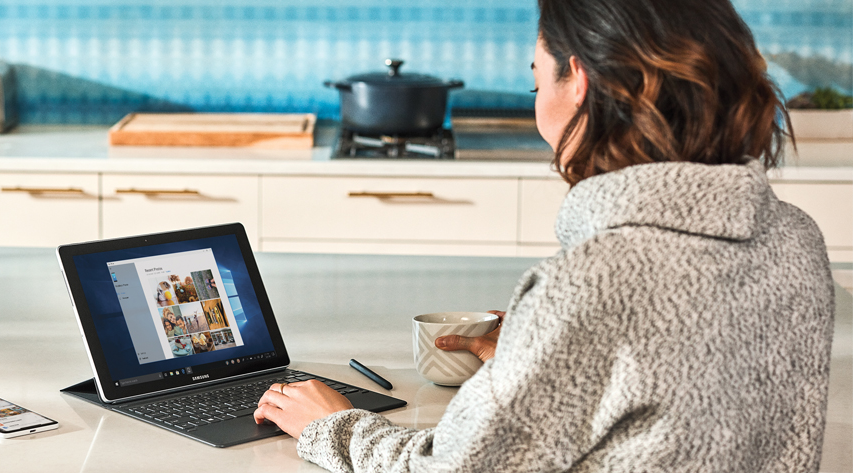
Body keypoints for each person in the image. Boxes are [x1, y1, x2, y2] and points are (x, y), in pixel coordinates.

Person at [253, 0, 836, 471]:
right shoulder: (795, 238)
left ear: (577, 80)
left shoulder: (595, 280)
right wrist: (534, 358)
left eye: (537, 84)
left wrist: (333, 426)